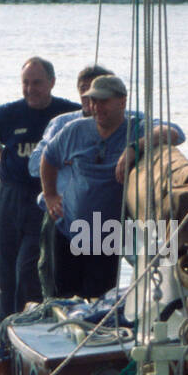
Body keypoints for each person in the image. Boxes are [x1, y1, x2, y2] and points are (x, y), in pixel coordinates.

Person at [40, 73, 184, 300]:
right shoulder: (75, 130)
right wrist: (49, 194)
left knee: (98, 299)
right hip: (68, 230)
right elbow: (49, 158)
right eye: (92, 100)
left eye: (103, 100)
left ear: (122, 101)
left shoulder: (135, 128)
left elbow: (174, 133)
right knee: (63, 299)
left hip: (107, 235)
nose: (96, 106)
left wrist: (134, 148)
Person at [0, 58, 79, 321]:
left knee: (28, 271)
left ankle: (29, 325)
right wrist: (2, 153)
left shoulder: (66, 114)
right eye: (26, 83)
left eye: (37, 83)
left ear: (52, 83)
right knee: (5, 273)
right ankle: (3, 332)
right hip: (8, 195)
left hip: (42, 197)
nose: (31, 89)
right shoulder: (10, 113)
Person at [27, 64, 113, 298]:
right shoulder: (64, 124)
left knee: (100, 291)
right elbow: (35, 164)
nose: (90, 99)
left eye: (98, 94)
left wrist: (138, 147)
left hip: (101, 221)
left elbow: (173, 130)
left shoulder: (121, 123)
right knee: (58, 288)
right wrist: (72, 158)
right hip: (62, 215)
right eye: (84, 91)